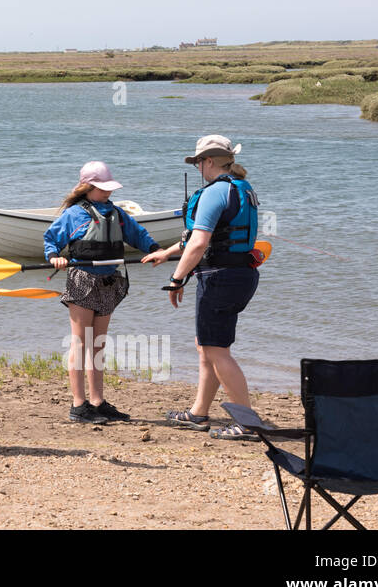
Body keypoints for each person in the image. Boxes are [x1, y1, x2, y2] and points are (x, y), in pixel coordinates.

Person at [144, 135, 261, 441]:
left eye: (198, 162)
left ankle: (246, 421)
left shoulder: (215, 192)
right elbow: (199, 237)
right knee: (206, 347)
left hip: (220, 278)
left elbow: (198, 243)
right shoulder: (241, 188)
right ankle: (199, 413)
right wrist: (168, 253)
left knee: (216, 350)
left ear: (208, 161)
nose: (198, 167)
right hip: (239, 275)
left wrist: (176, 278)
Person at [44, 161, 161, 424]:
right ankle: (78, 405)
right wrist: (54, 257)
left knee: (98, 344)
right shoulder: (74, 214)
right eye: (101, 188)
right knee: (80, 343)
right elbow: (51, 238)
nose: (107, 193)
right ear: (87, 188)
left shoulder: (117, 214)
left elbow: (137, 234)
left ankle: (96, 401)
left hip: (109, 281)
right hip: (83, 280)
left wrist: (153, 249)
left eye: (109, 188)